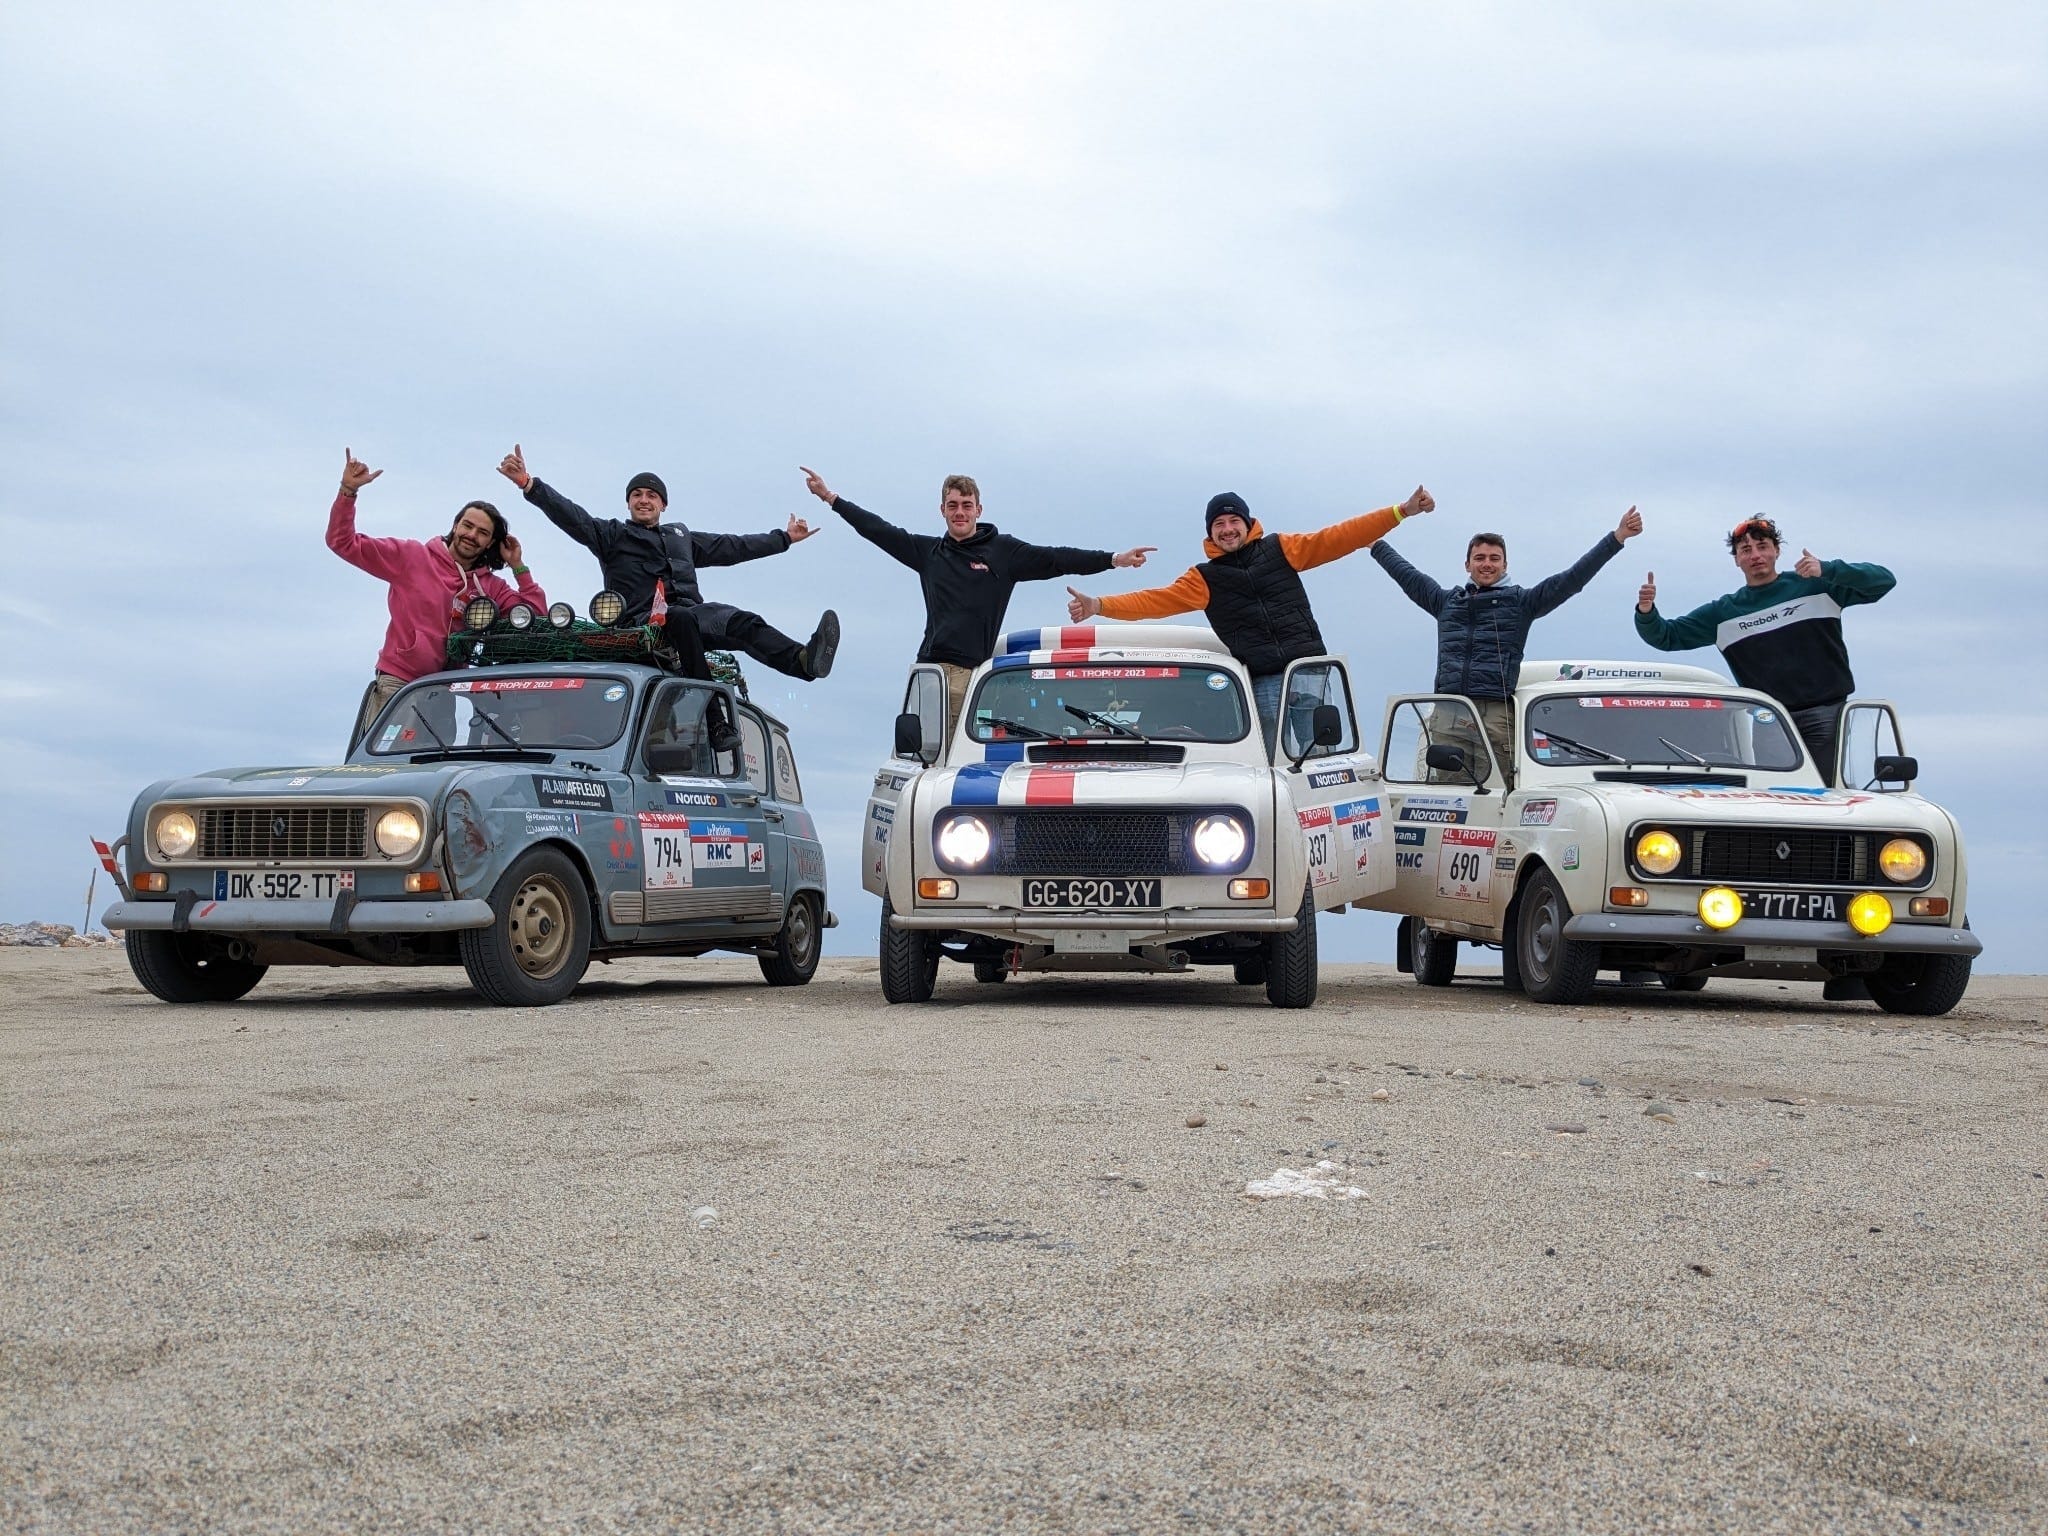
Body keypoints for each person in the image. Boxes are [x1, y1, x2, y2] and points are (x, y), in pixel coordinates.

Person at [1066, 486, 1434, 748]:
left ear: (1247, 522)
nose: (1227, 529)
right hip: (1262, 679)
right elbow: (1154, 601)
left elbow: (1339, 537)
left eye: (1233, 521)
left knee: (1318, 756)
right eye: (1219, 524)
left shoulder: (1281, 548)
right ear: (1210, 532)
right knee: (1271, 758)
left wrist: (1400, 512)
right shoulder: (1203, 578)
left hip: (1307, 669)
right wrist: (1099, 605)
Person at [799, 466, 1155, 730]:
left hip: (977, 675)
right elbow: (878, 530)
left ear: (978, 511)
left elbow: (1056, 557)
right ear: (942, 511)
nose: (959, 512)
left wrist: (1113, 559)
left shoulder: (1003, 553)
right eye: (952, 505)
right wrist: (832, 499)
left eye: (966, 506)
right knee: (924, 758)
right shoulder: (928, 553)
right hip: (931, 670)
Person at [497, 445, 839, 685]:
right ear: (629, 502)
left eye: (651, 495)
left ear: (663, 503)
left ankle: (803, 662)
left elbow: (732, 546)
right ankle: (711, 713)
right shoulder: (611, 535)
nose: (644, 500)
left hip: (690, 615)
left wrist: (784, 538)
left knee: (744, 622)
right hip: (643, 622)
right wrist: (530, 485)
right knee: (680, 617)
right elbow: (572, 516)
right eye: (637, 495)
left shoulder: (681, 538)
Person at [1371, 507, 1644, 784]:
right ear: (1467, 565)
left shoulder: (1521, 603)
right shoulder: (1446, 602)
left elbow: (1572, 580)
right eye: (1479, 558)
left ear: (1505, 565)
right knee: (1448, 796)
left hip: (1496, 715)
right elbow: (1407, 576)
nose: (1486, 564)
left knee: (1497, 792)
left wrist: (1617, 537)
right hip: (1449, 711)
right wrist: (1374, 542)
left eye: (1494, 558)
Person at [1634, 515, 1895, 784]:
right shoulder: (1723, 613)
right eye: (1746, 550)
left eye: (1762, 546)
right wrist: (1646, 611)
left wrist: (1828, 569)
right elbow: (1666, 636)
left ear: (1776, 551)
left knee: (1824, 789)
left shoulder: (1817, 586)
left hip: (1827, 712)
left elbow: (1884, 581)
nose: (1755, 555)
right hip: (1770, 717)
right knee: (1777, 794)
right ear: (1736, 559)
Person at [327, 449, 547, 745]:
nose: (472, 535)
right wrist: (348, 491)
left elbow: (535, 618)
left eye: (482, 532)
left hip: (445, 690)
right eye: (467, 525)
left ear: (490, 543)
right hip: (399, 684)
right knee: (380, 766)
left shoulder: (490, 586)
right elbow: (342, 542)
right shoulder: (411, 556)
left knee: (429, 770)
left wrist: (519, 566)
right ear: (455, 526)